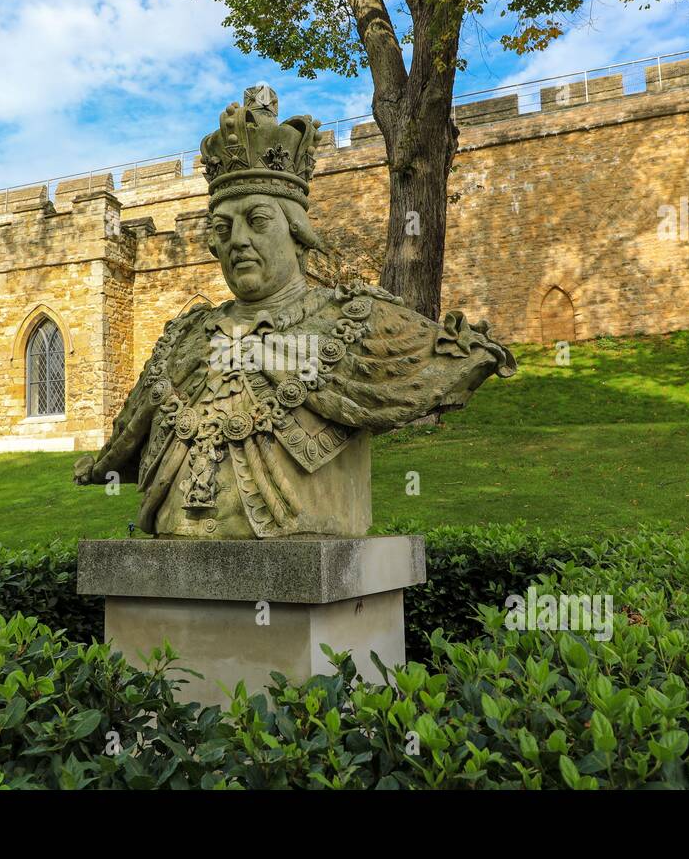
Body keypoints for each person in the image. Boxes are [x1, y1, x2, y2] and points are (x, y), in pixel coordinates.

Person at [73, 85, 516, 539]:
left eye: (258, 221)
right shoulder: (184, 338)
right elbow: (125, 439)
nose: (238, 241)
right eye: (223, 228)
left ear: (297, 232)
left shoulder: (363, 322)